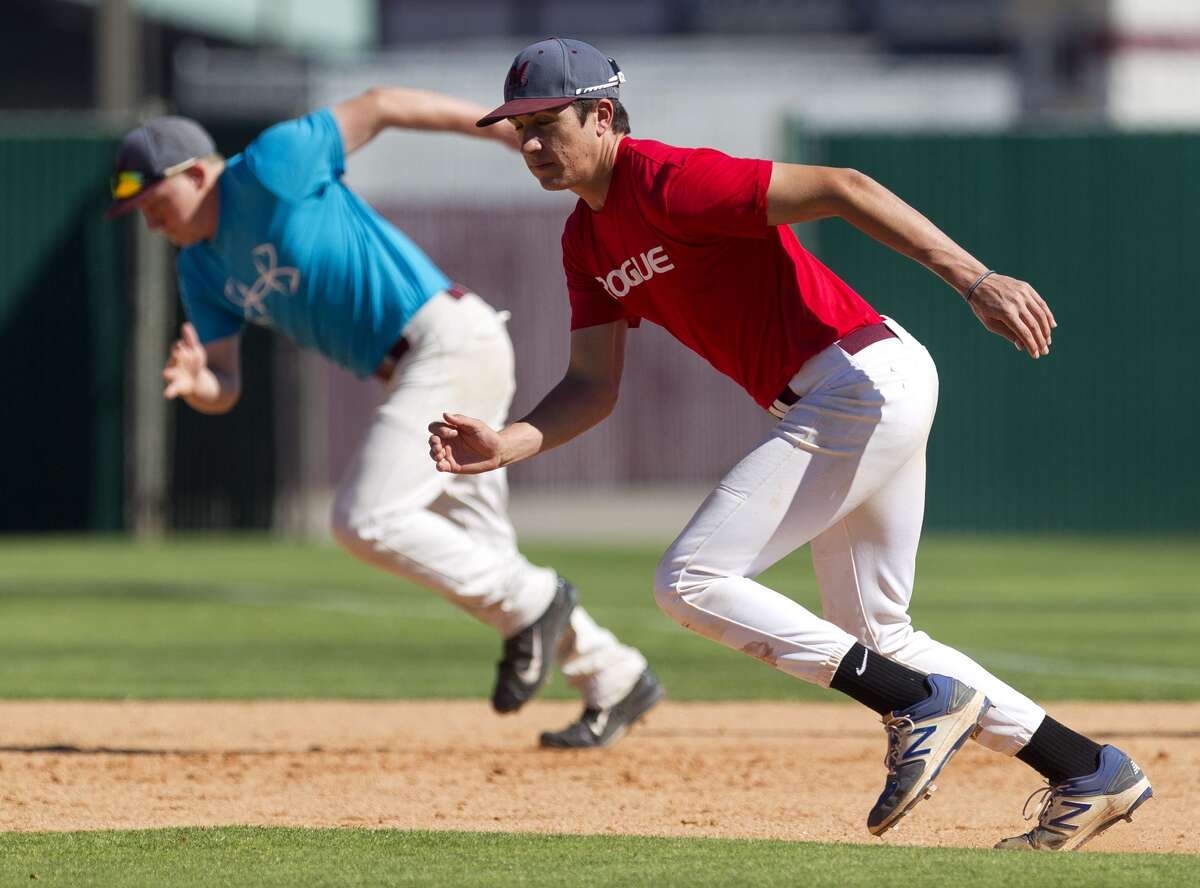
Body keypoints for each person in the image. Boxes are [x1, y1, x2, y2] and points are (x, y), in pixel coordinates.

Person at [427, 37, 1152, 846]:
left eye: (542, 121)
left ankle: (915, 702)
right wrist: (508, 442)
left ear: (601, 115)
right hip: (844, 395)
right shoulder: (583, 242)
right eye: (516, 127)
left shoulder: (666, 178)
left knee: (690, 581)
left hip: (858, 380)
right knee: (882, 637)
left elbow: (845, 187)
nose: (526, 144)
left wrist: (975, 278)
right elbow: (594, 386)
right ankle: (1087, 770)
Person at [105, 87, 662, 749]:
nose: (150, 223)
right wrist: (200, 383)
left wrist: (491, 131)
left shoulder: (271, 165)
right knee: (486, 556)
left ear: (196, 173)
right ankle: (613, 674)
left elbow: (384, 104)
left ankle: (538, 603)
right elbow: (224, 384)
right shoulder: (199, 267)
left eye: (152, 204)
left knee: (363, 519)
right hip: (419, 369)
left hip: (446, 343)